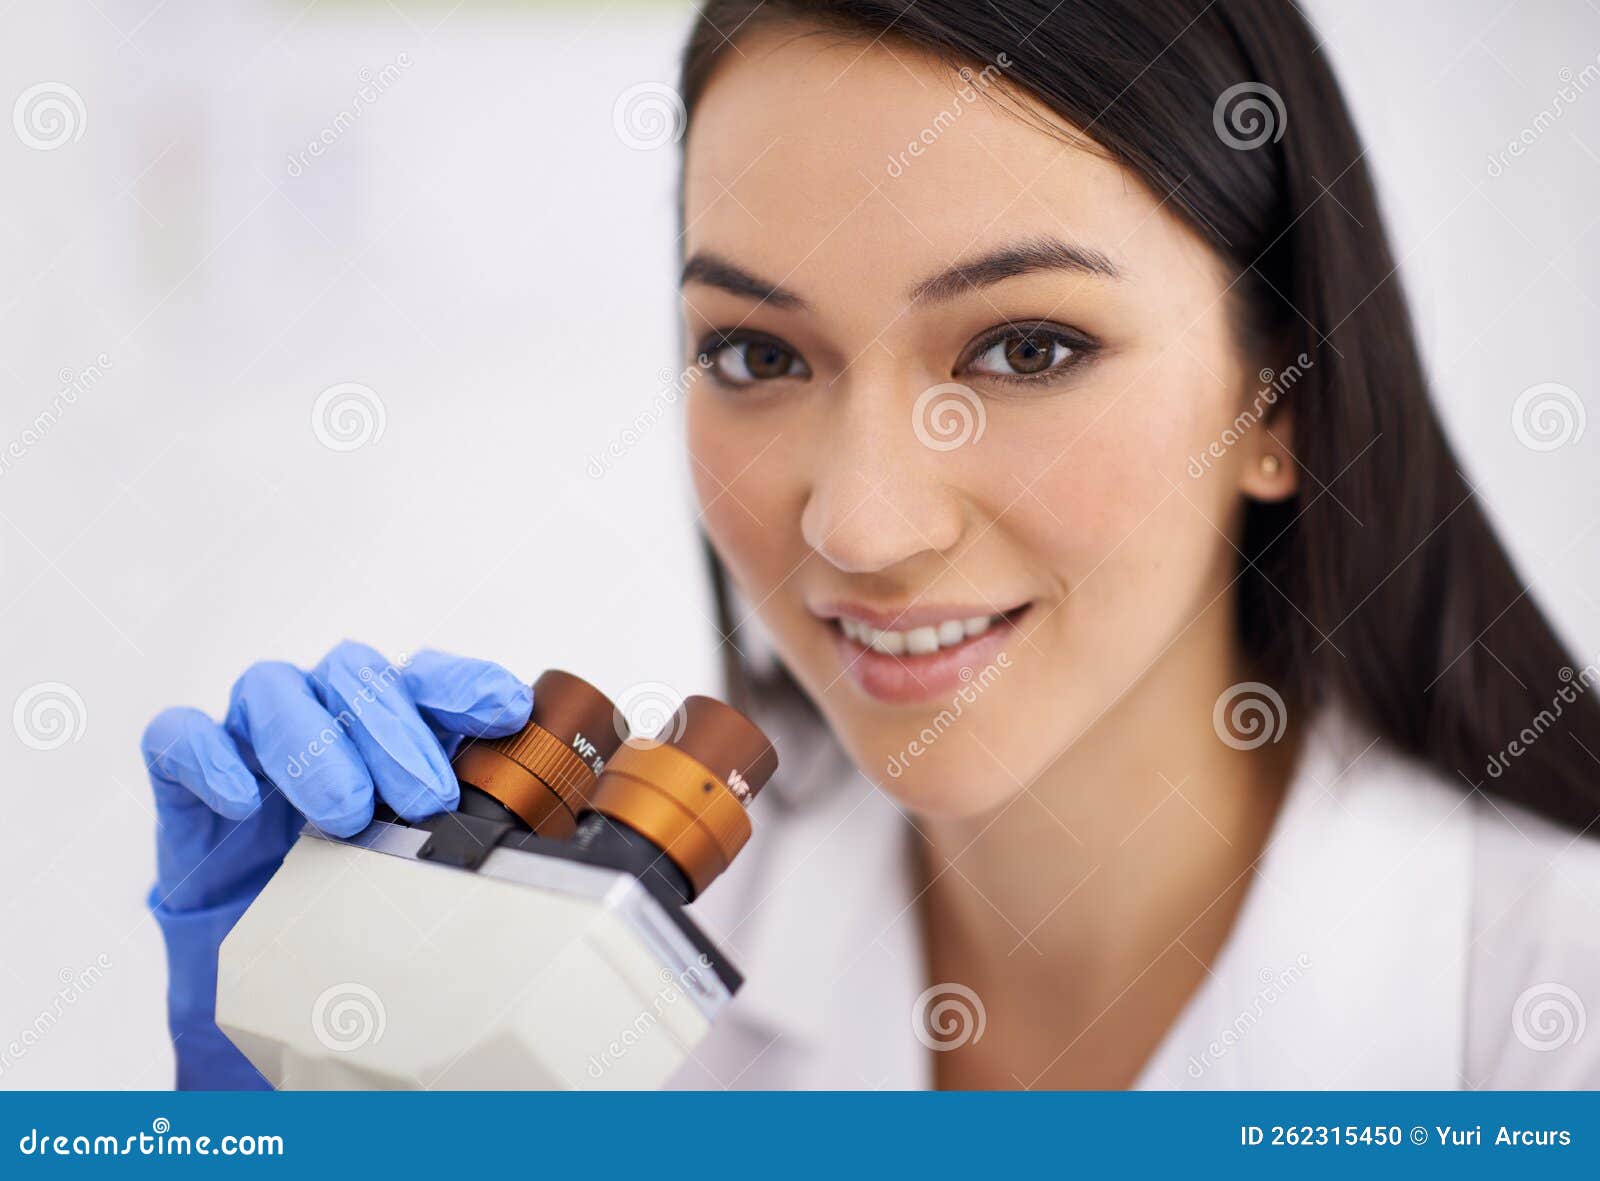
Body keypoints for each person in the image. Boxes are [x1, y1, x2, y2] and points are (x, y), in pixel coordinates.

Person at [143, 0, 1600, 1090]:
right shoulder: (575, 970)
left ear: (1281, 393)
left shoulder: (1545, 1007)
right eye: (758, 353)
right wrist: (286, 1104)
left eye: (1026, 348)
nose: (859, 524)